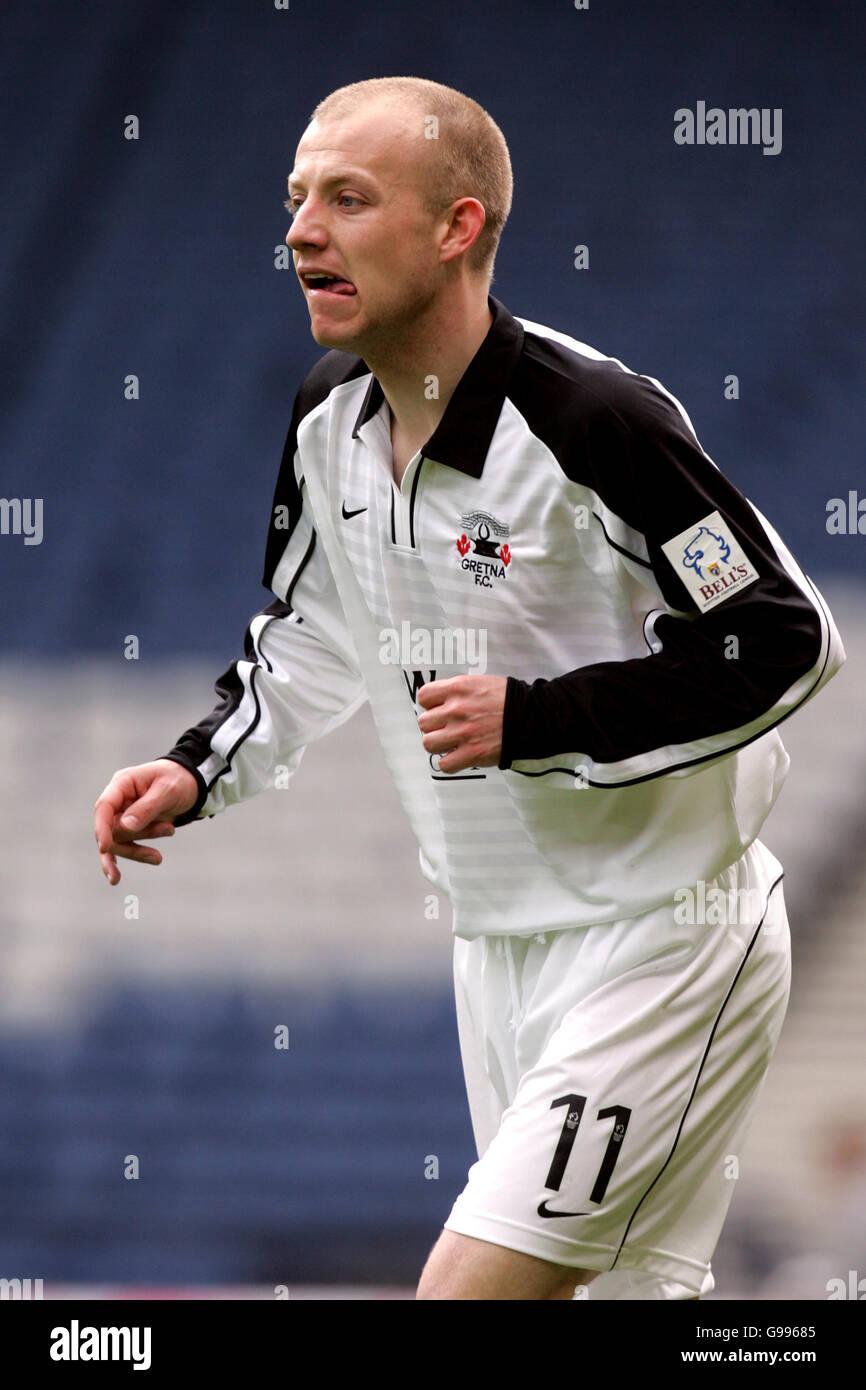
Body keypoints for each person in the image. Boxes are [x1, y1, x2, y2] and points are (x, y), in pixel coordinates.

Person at [93, 76, 846, 1301]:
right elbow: (314, 627)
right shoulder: (322, 422)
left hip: (664, 935)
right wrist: (197, 766)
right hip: (495, 951)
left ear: (457, 229)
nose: (299, 230)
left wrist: (540, 720)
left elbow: (782, 638)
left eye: (347, 197)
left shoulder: (596, 423)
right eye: (294, 199)